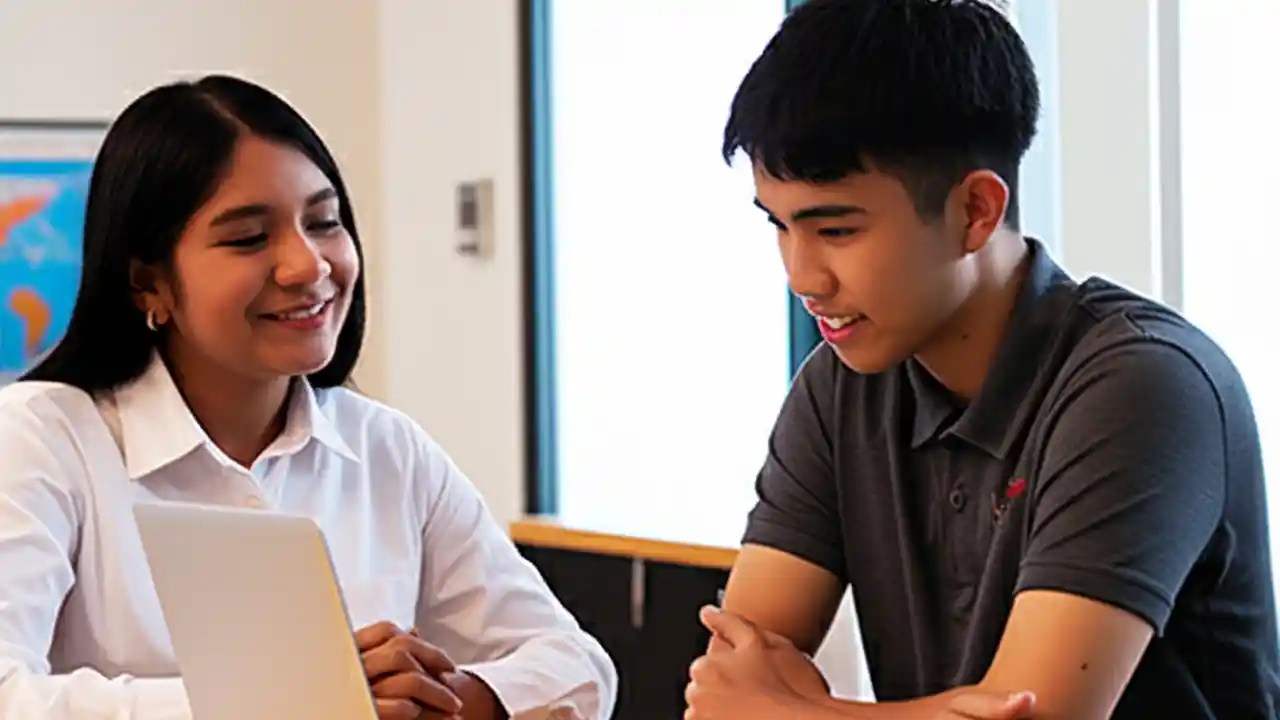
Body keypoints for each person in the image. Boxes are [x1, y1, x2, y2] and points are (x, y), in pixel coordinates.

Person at [683, 1, 1280, 718]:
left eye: (835, 229)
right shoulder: (841, 384)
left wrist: (792, 713)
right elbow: (730, 683)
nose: (802, 277)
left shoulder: (1145, 384)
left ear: (975, 212)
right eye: (779, 226)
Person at [0, 75, 616, 720]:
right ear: (147, 282)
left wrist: (454, 698)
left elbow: (577, 668)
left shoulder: (386, 448)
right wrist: (301, 699)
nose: (308, 267)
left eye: (323, 222)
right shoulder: (43, 437)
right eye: (247, 238)